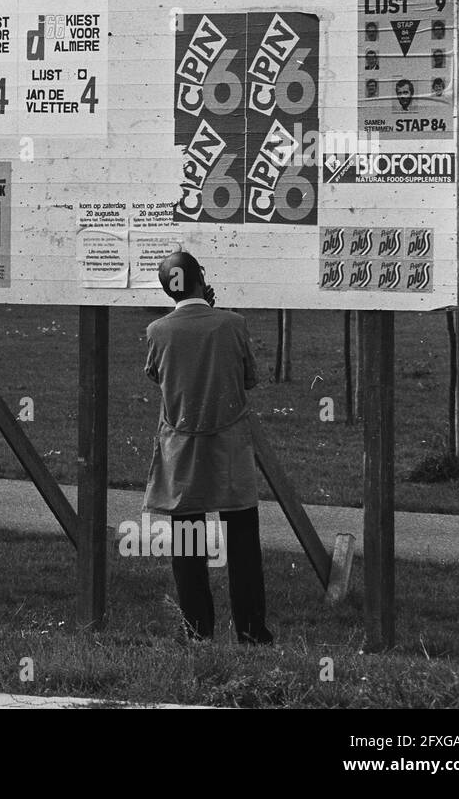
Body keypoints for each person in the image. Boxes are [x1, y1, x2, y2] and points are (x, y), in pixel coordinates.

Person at [143, 251, 273, 644]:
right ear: (202, 278)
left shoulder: (157, 331)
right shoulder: (233, 324)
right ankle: (251, 631)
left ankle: (197, 631)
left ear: (168, 289)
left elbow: (157, 375)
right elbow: (249, 378)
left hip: (182, 454)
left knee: (187, 546)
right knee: (244, 545)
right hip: (230, 451)